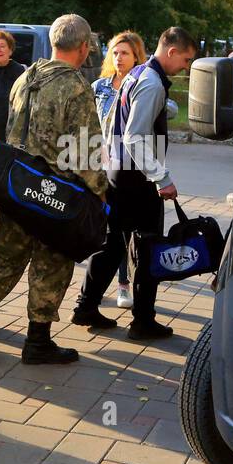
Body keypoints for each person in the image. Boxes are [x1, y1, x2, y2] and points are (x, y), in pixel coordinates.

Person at [0, 14, 109, 364]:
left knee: (9, 254)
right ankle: (38, 340)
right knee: (52, 262)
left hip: (13, 184)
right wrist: (99, 189)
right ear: (83, 47)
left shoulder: (25, 77)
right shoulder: (75, 86)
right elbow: (86, 146)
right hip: (53, 192)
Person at [73, 26, 198, 340]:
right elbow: (133, 137)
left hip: (119, 174)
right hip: (137, 180)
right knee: (148, 247)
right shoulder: (151, 82)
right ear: (171, 51)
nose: (186, 66)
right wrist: (162, 178)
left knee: (113, 244)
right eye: (186, 59)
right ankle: (142, 321)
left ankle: (86, 306)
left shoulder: (136, 75)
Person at [90, 31, 147, 311]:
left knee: (122, 229)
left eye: (124, 53)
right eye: (114, 52)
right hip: (101, 166)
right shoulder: (99, 87)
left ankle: (124, 284)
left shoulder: (141, 85)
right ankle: (93, 287)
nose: (118, 58)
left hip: (127, 168)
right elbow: (88, 126)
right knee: (100, 229)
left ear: (137, 56)